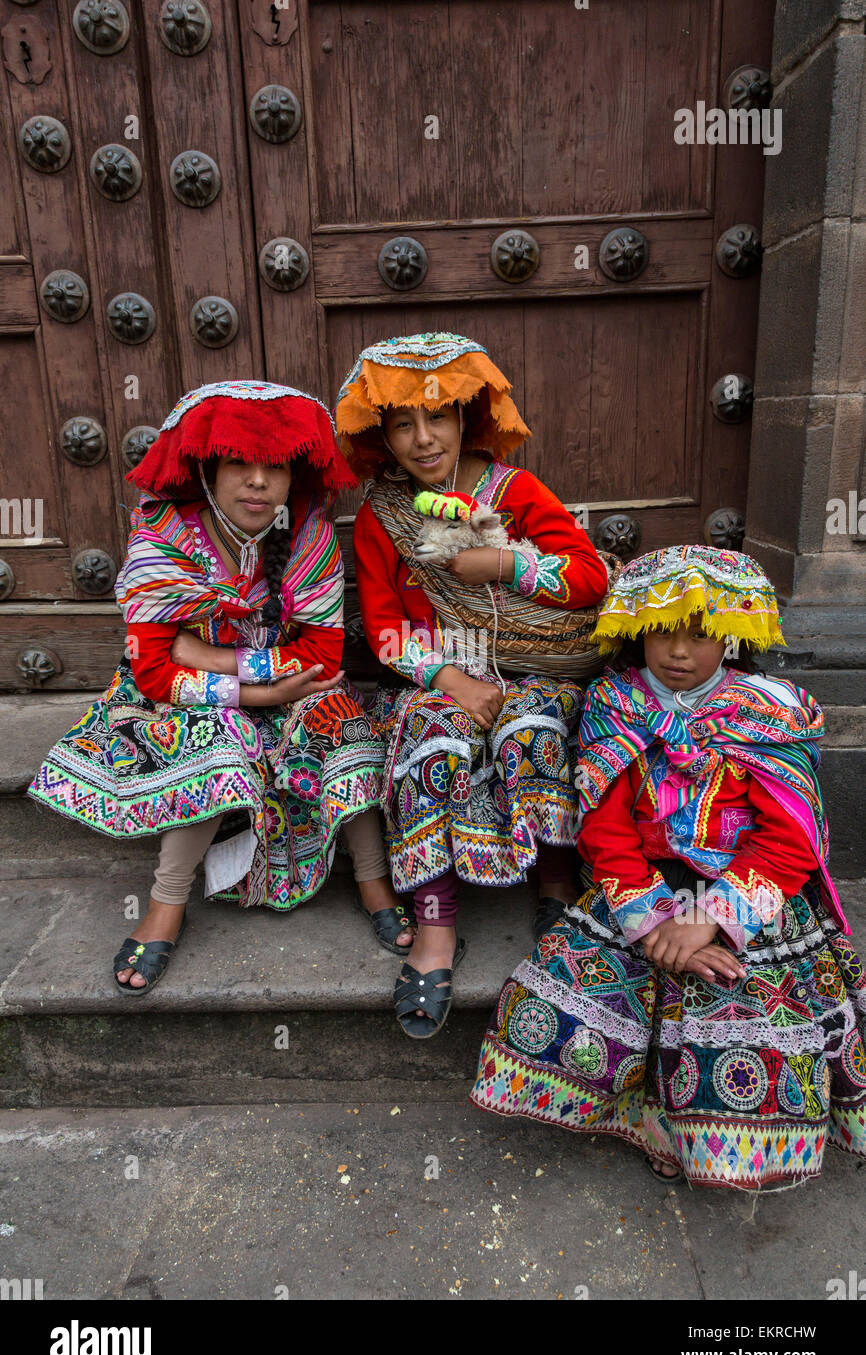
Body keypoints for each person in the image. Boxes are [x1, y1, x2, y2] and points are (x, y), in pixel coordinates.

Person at [470, 544, 866, 1189]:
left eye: (700, 635)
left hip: (745, 891)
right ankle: (645, 1121)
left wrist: (710, 920)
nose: (678, 652)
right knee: (597, 984)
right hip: (639, 885)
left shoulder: (771, 711)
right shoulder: (615, 702)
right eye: (661, 632)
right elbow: (604, 825)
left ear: (735, 636)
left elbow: (790, 838)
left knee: (732, 1003)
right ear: (636, 629)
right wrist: (654, 920)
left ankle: (715, 1140)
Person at [28, 380, 414, 994]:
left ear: (293, 476)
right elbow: (155, 674)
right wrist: (260, 691)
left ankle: (372, 879)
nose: (258, 481)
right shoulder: (164, 536)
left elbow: (321, 656)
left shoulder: (308, 534)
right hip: (176, 700)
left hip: (264, 683)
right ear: (207, 470)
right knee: (218, 735)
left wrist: (206, 653)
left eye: (274, 466)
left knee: (338, 716)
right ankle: (166, 903)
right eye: (239, 462)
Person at [336, 331, 612, 1039]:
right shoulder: (380, 518)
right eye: (403, 424)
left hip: (533, 668)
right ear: (384, 436)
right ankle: (434, 930)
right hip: (441, 674)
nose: (423, 439)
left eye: (438, 418)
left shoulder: (514, 492)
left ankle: (554, 890)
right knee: (433, 747)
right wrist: (452, 680)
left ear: (466, 420)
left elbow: (590, 578)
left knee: (536, 732)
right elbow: (386, 628)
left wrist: (506, 566)